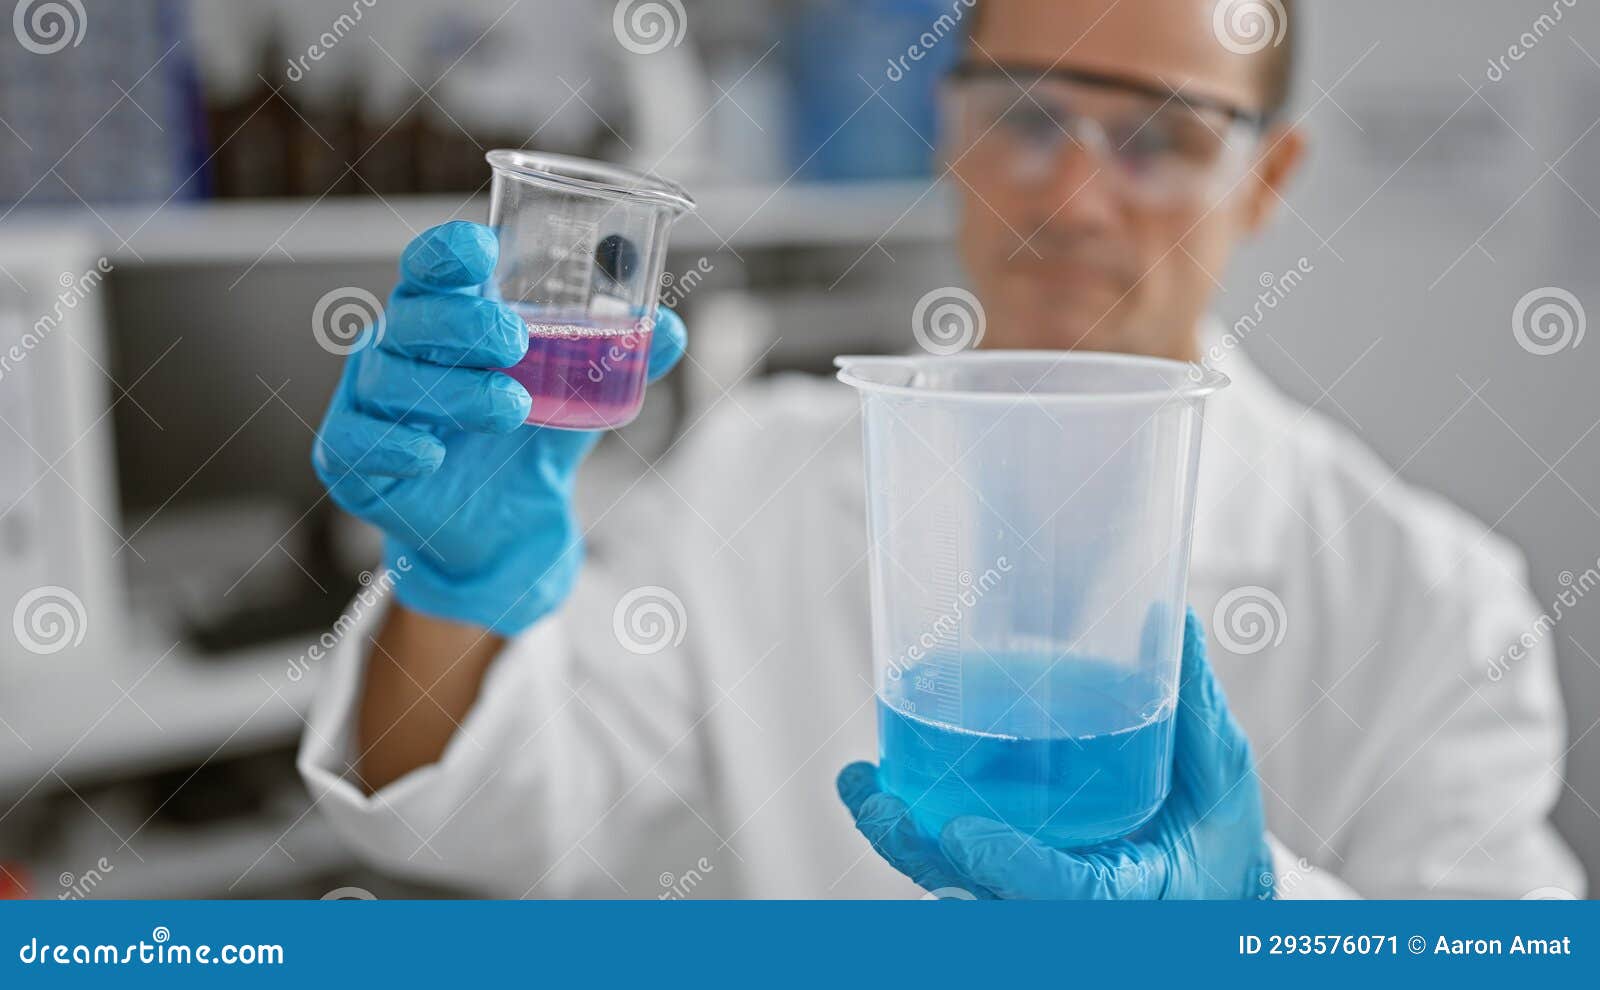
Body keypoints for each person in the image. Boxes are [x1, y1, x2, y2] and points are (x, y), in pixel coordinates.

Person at [298, 0, 1584, 898]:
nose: (1071, 201)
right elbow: (497, 816)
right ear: (948, 128)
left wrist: (1254, 922)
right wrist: (453, 594)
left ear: (1266, 180)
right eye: (1026, 116)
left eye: (1159, 140)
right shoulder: (756, 474)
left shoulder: (1441, 609)